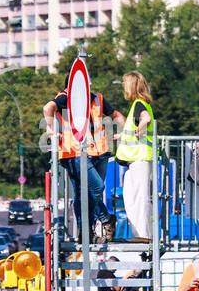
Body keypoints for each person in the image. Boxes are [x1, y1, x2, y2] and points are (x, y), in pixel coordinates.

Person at [44, 74, 125, 242]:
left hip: (100, 151)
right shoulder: (65, 98)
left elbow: (116, 115)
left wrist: (124, 132)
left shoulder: (97, 98)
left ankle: (85, 233)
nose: (90, 84)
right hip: (73, 153)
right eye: (86, 82)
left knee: (84, 195)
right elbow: (48, 108)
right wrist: (51, 129)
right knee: (96, 187)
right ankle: (104, 218)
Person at [114, 71, 156, 241]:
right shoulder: (140, 104)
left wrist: (140, 130)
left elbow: (145, 119)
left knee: (139, 197)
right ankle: (140, 234)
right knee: (132, 196)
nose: (124, 87)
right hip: (136, 160)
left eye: (125, 83)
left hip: (140, 158)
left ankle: (143, 235)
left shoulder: (139, 104)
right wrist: (122, 136)